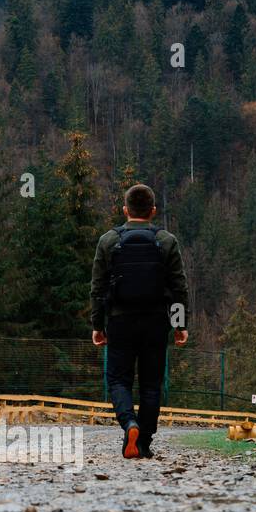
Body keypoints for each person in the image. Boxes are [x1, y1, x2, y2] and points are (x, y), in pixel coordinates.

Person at [90, 183, 189, 458]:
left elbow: (97, 289)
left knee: (118, 380)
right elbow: (179, 287)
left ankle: (128, 423)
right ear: (153, 211)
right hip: (156, 321)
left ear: (125, 210)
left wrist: (98, 326)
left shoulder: (108, 241)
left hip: (120, 321)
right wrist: (180, 325)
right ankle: (143, 442)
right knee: (151, 382)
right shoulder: (167, 241)